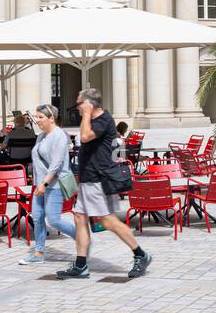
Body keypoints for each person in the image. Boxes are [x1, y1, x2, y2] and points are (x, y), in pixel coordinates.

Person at [57, 88, 151, 280]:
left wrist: (87, 114)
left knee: (107, 220)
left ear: (89, 104)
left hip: (98, 179)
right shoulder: (95, 120)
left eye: (79, 104)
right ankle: (81, 265)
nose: (77, 108)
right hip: (88, 179)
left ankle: (141, 254)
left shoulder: (102, 120)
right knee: (80, 218)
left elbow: (84, 137)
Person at [19, 104, 76, 265]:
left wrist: (44, 183)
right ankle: (38, 253)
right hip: (39, 184)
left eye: (40, 117)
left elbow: (56, 164)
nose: (36, 120)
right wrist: (37, 182)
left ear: (51, 118)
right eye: (36, 117)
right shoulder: (41, 136)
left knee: (54, 220)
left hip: (53, 185)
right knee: (37, 217)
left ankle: (80, 236)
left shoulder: (59, 136)